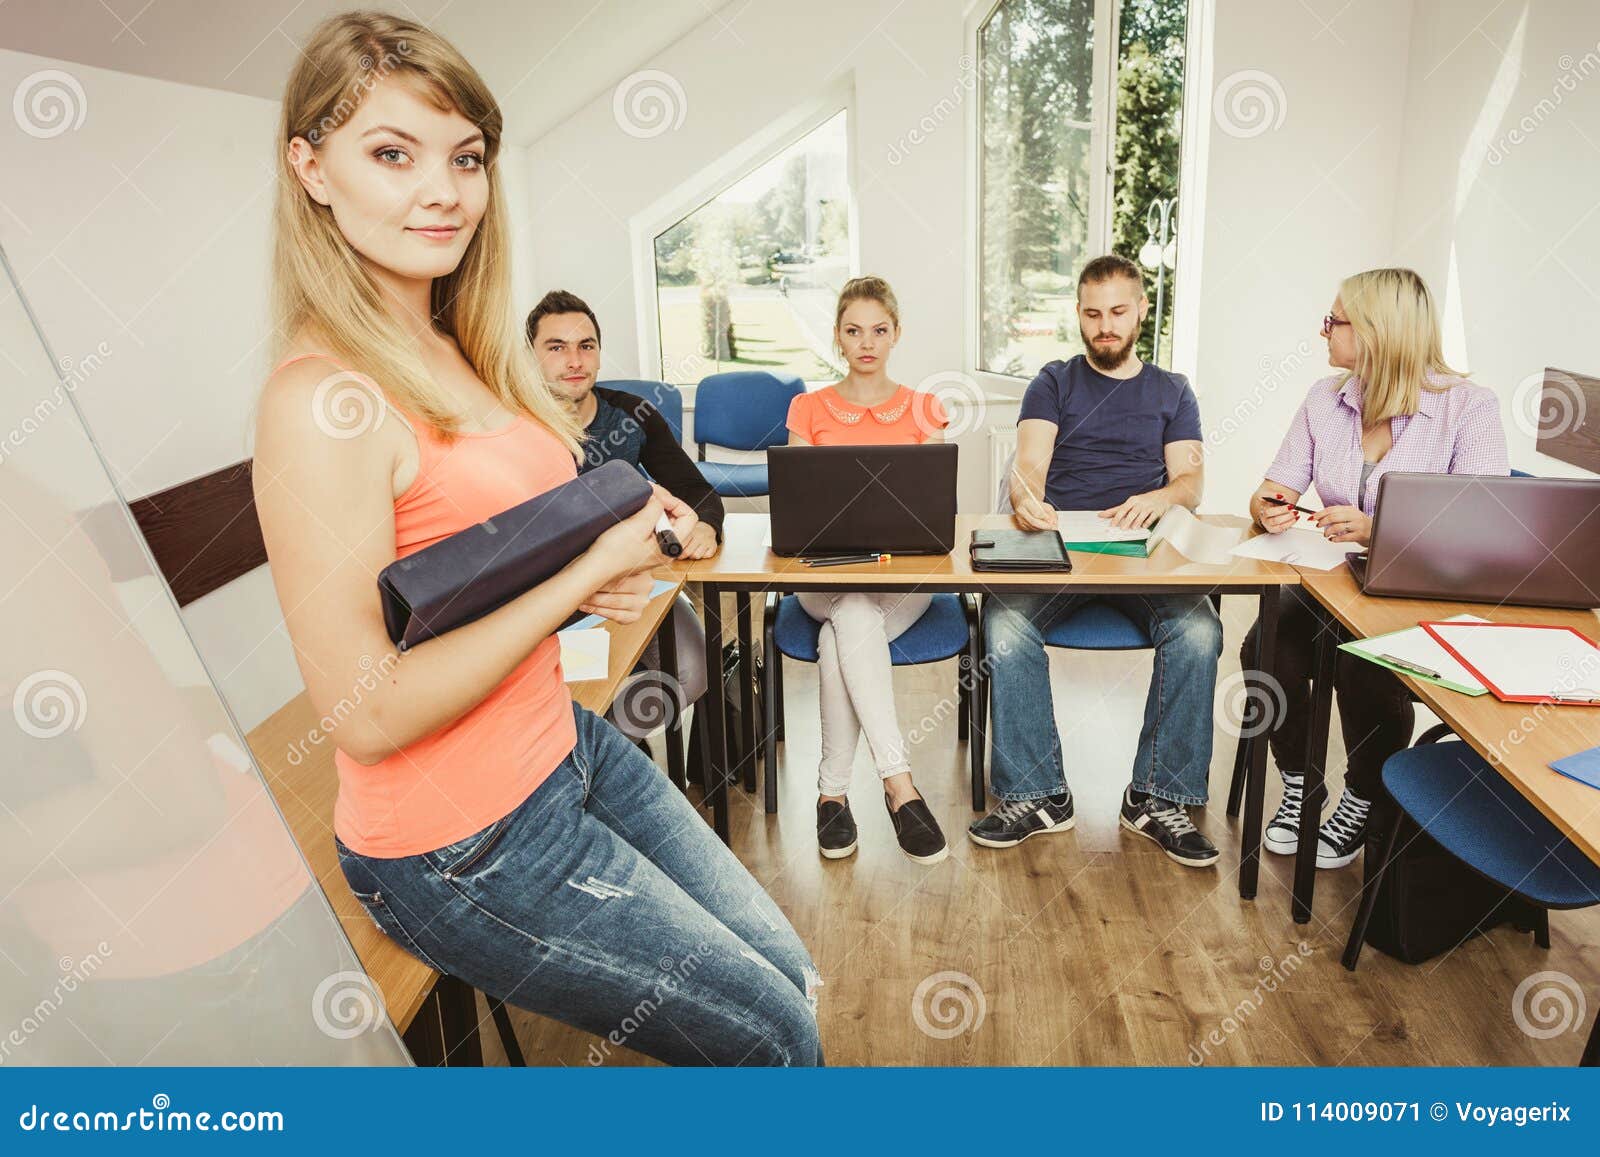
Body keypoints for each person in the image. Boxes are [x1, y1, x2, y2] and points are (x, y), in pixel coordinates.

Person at [251, 11, 821, 1066]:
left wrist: (593, 561)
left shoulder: (452, 341)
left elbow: (473, 557)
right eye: (391, 153)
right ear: (310, 167)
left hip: (558, 745)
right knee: (775, 1037)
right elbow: (365, 713)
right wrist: (578, 581)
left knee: (789, 970)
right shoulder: (319, 399)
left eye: (465, 157)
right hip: (456, 840)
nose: (443, 190)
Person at [1245, 267, 1508, 869]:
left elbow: (1484, 533)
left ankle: (1362, 796)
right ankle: (1300, 786)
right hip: (1335, 585)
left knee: (1361, 664)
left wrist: (1381, 530)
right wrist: (1268, 505)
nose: (1323, 331)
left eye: (1333, 321)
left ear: (1375, 332)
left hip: (1420, 597)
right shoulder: (1325, 397)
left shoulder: (1468, 409)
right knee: (1266, 646)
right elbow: (1271, 487)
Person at [970, 254, 1224, 868]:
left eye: (1117, 312)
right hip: (1062, 549)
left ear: (1141, 309)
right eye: (1091, 314)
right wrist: (1026, 497)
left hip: (1140, 554)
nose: (1104, 326)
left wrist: (1159, 497)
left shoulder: (1172, 390)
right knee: (1004, 623)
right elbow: (1029, 465)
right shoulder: (1053, 382)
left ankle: (1155, 797)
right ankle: (1039, 795)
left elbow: (1190, 481)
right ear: (1078, 315)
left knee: (1199, 630)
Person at [784, 276, 951, 864]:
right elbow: (800, 514)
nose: (867, 343)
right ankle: (898, 785)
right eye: (853, 331)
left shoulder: (925, 408)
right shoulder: (807, 408)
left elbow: (933, 515)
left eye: (879, 330)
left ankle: (832, 794)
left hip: (900, 582)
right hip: (823, 579)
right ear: (837, 336)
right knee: (849, 608)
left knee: (844, 631)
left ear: (896, 333)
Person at [529, 288, 723, 559]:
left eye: (586, 346)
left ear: (598, 354)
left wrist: (705, 526)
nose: (575, 362)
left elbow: (693, 489)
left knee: (681, 604)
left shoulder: (634, 413)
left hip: (626, 566)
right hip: (545, 573)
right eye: (557, 348)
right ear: (530, 356)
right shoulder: (514, 425)